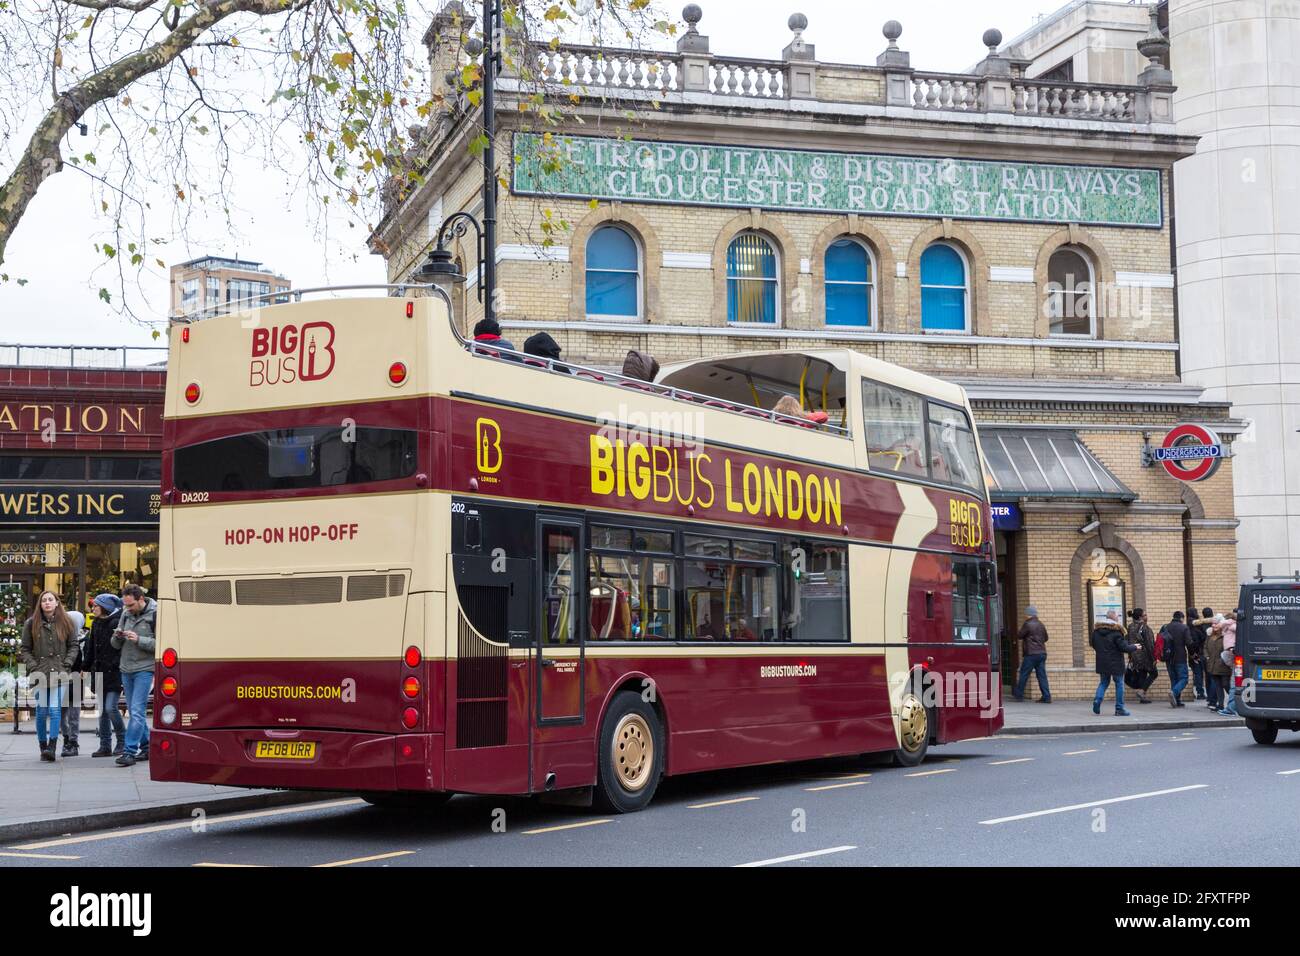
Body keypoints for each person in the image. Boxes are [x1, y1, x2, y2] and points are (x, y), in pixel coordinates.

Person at [18, 590, 78, 762]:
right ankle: (43, 746)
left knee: (55, 708)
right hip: (40, 672)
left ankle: (52, 747)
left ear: (57, 602)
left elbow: (74, 645)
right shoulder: (31, 623)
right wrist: (33, 666)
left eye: (51, 599)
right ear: (40, 604)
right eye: (44, 600)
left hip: (60, 671)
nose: (47, 603)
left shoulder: (67, 622)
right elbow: (25, 649)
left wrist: (67, 663)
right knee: (42, 711)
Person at [112, 585, 156, 766]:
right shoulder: (125, 614)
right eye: (125, 605)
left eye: (130, 605)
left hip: (145, 669)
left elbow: (162, 644)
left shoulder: (155, 614)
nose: (127, 609)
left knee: (137, 711)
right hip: (126, 668)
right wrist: (118, 636)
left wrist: (139, 639)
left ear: (140, 600)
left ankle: (129, 751)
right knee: (134, 711)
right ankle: (147, 748)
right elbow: (114, 645)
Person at [83, 594, 126, 757]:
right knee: (102, 710)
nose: (92, 609)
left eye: (96, 606)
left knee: (111, 707)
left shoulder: (116, 623)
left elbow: (121, 650)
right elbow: (91, 648)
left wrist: (116, 665)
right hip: (99, 672)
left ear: (105, 607)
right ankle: (105, 745)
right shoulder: (96, 623)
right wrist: (85, 667)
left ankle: (122, 741)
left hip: (114, 673)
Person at [1092, 610, 1138, 716]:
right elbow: (1123, 647)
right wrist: (1135, 647)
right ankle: (1119, 709)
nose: (1118, 618)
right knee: (1119, 684)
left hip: (1102, 662)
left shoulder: (1096, 632)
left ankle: (1097, 700)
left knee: (1103, 682)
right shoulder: (1117, 632)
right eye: (1117, 616)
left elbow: (1094, 645)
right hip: (1116, 662)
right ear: (1113, 618)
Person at [58, 609, 86, 756]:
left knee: (73, 714)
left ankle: (73, 742)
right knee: (63, 713)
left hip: (75, 678)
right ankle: (67, 739)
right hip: (62, 677)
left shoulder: (83, 638)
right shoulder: (61, 636)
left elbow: (84, 660)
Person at [1012, 605, 1052, 703]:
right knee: (1042, 676)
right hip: (1042, 653)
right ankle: (1046, 696)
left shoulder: (1027, 624)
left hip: (1031, 654)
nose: (1024, 616)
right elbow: (1046, 638)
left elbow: (1020, 635)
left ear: (1029, 614)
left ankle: (1019, 695)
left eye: (1025, 614)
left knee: (1024, 674)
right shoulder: (1041, 624)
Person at [1127, 608, 1159, 704]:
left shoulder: (1130, 626)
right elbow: (1150, 644)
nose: (1146, 616)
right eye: (1145, 615)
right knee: (1154, 673)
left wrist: (1130, 655)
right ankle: (1142, 691)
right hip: (1144, 656)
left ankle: (1142, 697)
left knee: (1142, 674)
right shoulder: (1145, 628)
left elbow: (1128, 641)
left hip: (1134, 654)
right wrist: (1154, 658)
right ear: (1141, 617)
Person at [1162, 610, 1192, 707]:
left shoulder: (1165, 627)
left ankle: (1177, 701)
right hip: (1180, 657)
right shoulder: (1184, 627)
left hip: (1168, 657)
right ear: (1181, 618)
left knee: (1174, 679)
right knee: (1184, 678)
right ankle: (1174, 693)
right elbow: (1189, 643)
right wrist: (1193, 654)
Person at [1204, 614, 1231, 715]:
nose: (1214, 625)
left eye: (1216, 623)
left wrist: (1223, 659)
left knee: (1225, 684)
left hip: (1223, 664)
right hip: (1212, 664)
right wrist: (1207, 656)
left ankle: (1234, 702)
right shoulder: (1210, 635)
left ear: (1221, 623)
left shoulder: (1226, 635)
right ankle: (1220, 705)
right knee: (1218, 686)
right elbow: (1205, 647)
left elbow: (1228, 648)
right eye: (1213, 623)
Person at [1219, 612, 1239, 716]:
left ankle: (1231, 709)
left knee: (1234, 685)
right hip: (1232, 654)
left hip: (1233, 654)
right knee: (1234, 685)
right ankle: (1232, 708)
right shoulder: (1228, 629)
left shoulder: (1232, 627)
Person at [1186, 606, 1208, 701]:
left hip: (1194, 653)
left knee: (1198, 673)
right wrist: (1195, 654)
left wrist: (1192, 654)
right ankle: (1201, 693)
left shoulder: (1189, 627)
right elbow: (1197, 641)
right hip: (1199, 653)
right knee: (1200, 674)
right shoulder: (1198, 626)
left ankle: (1200, 692)